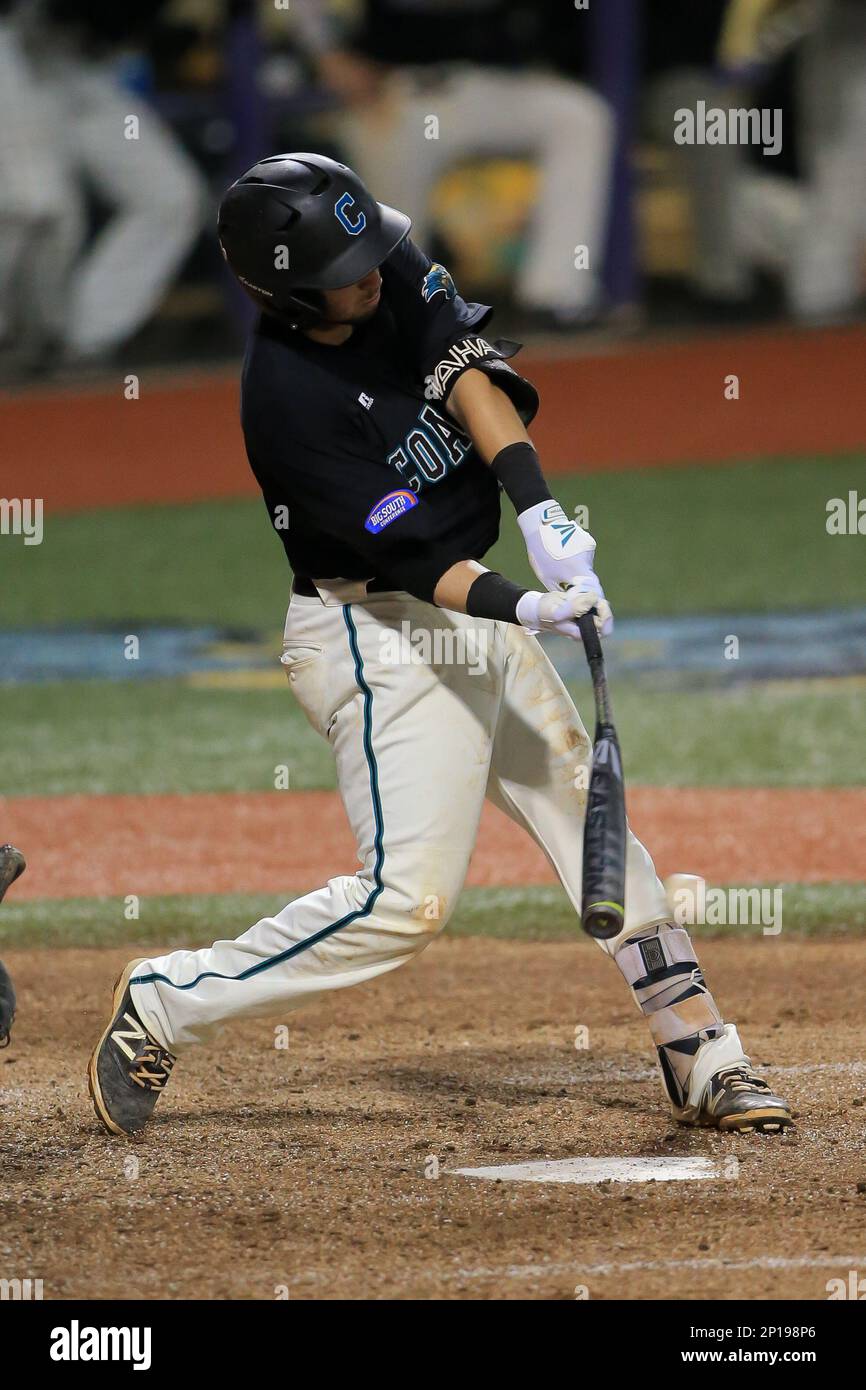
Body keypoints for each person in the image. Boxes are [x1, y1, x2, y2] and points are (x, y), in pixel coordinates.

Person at [88, 153, 793, 1140]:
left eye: (370, 244)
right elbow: (417, 564)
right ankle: (166, 997)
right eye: (343, 263)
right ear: (287, 292)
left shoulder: (378, 262)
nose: (372, 267)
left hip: (461, 602)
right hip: (375, 639)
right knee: (407, 901)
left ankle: (699, 1047)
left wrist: (540, 511)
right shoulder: (287, 406)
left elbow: (464, 373)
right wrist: (525, 608)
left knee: (581, 806)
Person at [290, 0, 613, 329]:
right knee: (398, 259)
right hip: (400, 91)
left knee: (579, 117)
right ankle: (395, 312)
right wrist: (327, 53)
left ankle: (556, 294)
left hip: (497, 84)